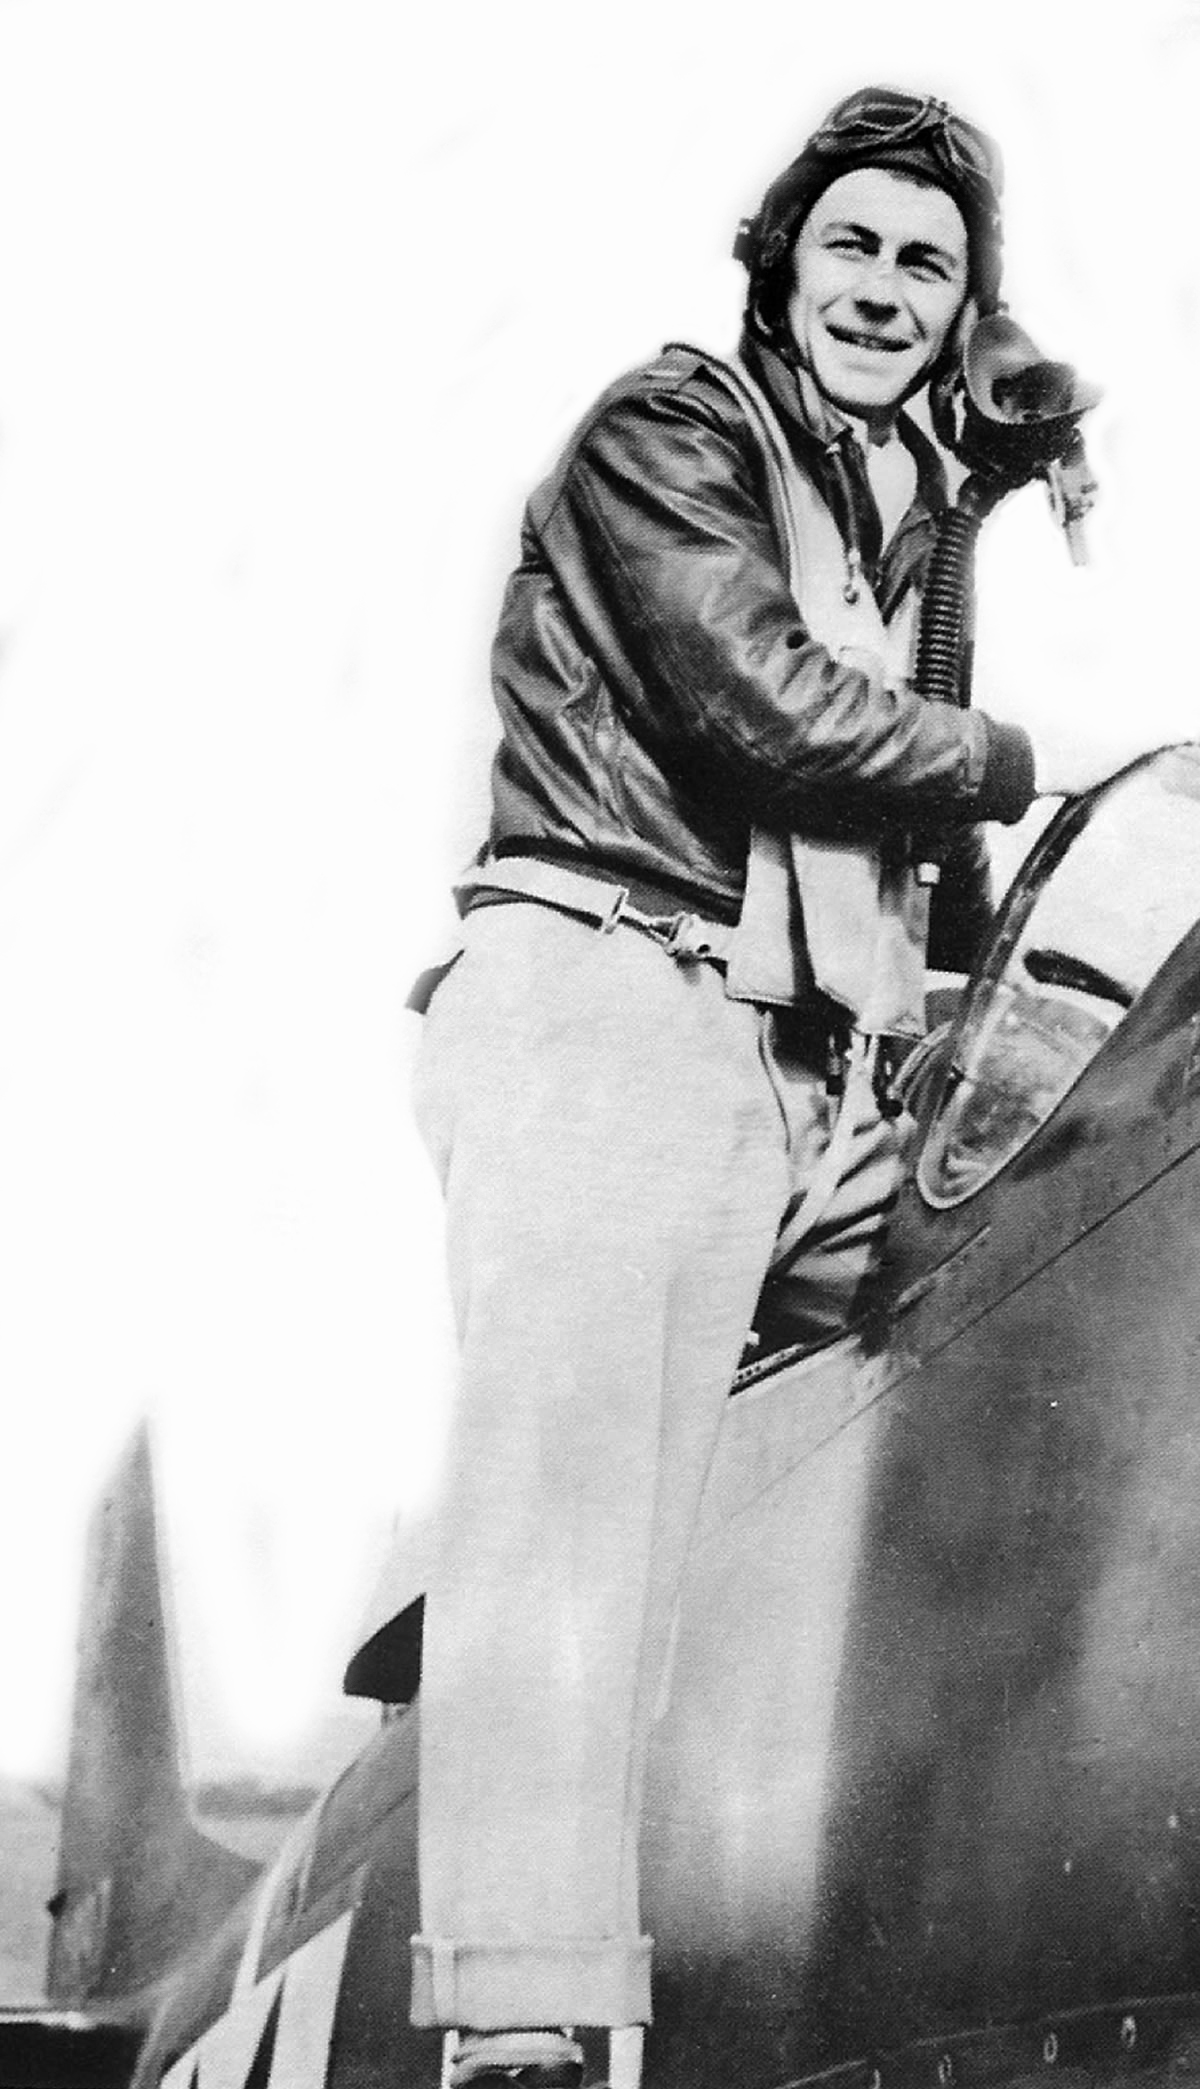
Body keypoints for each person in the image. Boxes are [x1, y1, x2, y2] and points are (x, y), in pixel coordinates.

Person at [407, 87, 1167, 2089]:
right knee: (567, 1510)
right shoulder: (675, 432)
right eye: (853, 246)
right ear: (779, 263)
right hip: (609, 994)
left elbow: (915, 855)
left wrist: (974, 505)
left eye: (929, 264)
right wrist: (1024, 754)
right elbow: (768, 708)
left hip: (790, 1072)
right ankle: (515, 2029)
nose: (886, 291)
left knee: (1021, 1303)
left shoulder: (877, 517)